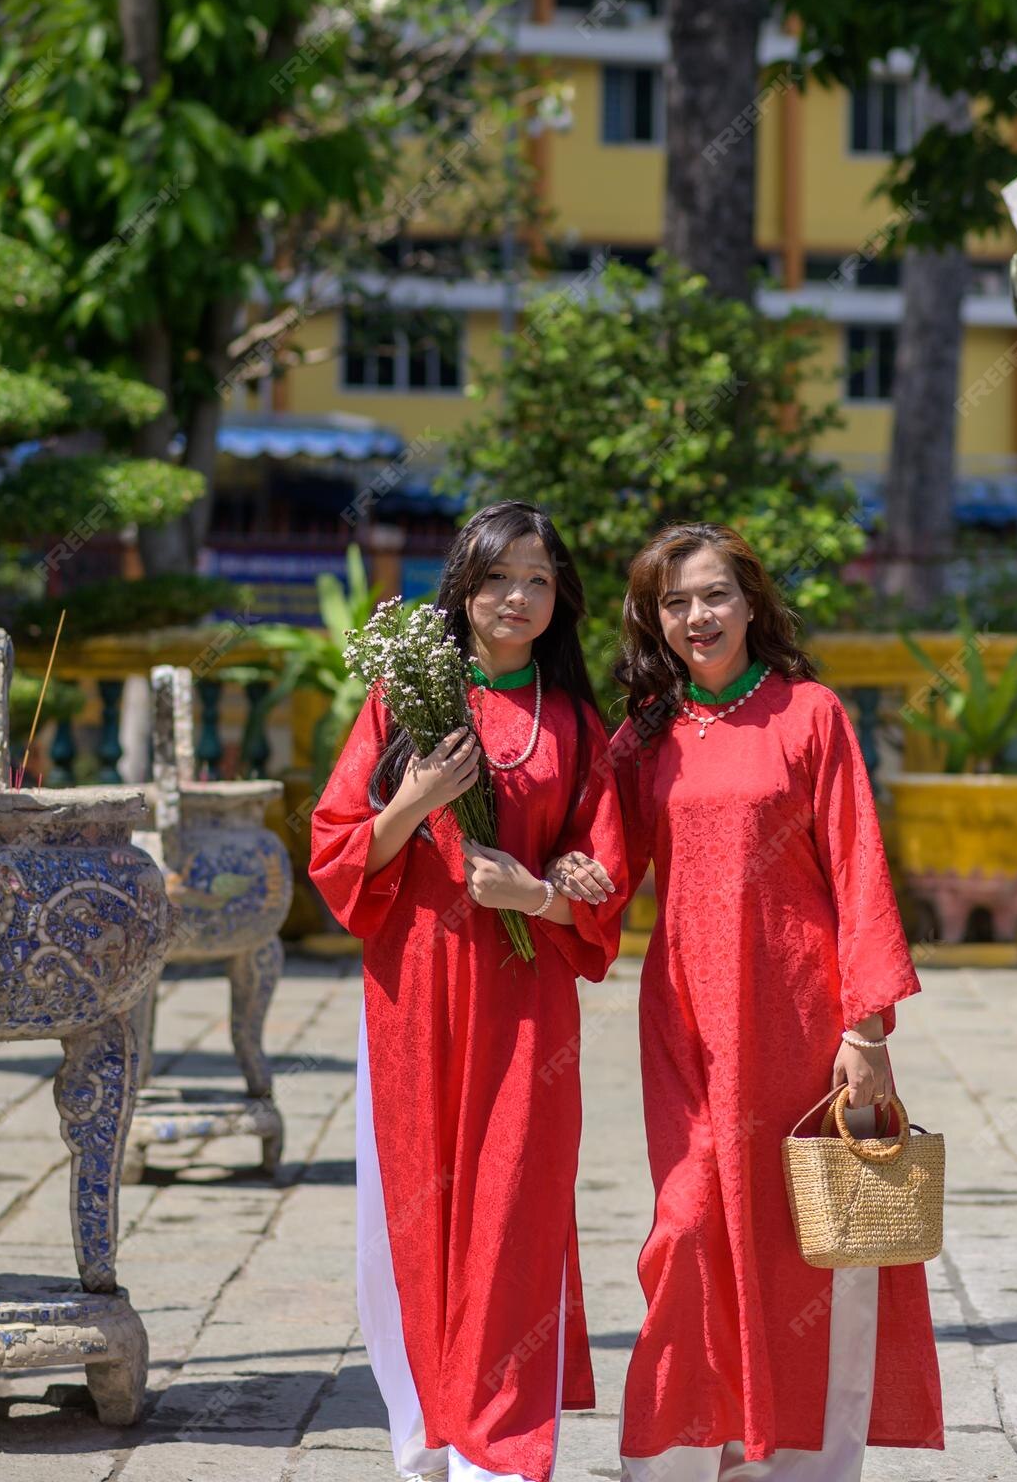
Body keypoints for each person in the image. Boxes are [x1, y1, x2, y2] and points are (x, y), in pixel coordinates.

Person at [547, 522, 944, 1480]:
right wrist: (560, 872)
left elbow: (856, 870)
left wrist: (865, 1028)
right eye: (674, 603)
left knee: (794, 1240)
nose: (696, 617)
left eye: (714, 595)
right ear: (655, 619)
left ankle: (791, 1458)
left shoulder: (809, 715)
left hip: (799, 1016)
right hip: (686, 1018)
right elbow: (606, 861)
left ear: (752, 602)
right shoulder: (646, 735)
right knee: (686, 1226)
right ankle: (688, 1453)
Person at [309, 501, 626, 1482]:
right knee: (413, 1208)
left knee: (514, 1202)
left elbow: (603, 876)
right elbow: (333, 847)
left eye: (536, 579)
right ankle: (426, 1428)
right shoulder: (401, 697)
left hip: (524, 1003)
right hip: (412, 993)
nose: (516, 598)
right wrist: (413, 803)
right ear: (464, 587)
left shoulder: (575, 723)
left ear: (557, 596)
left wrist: (537, 889)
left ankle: (501, 1442)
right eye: (497, 579)